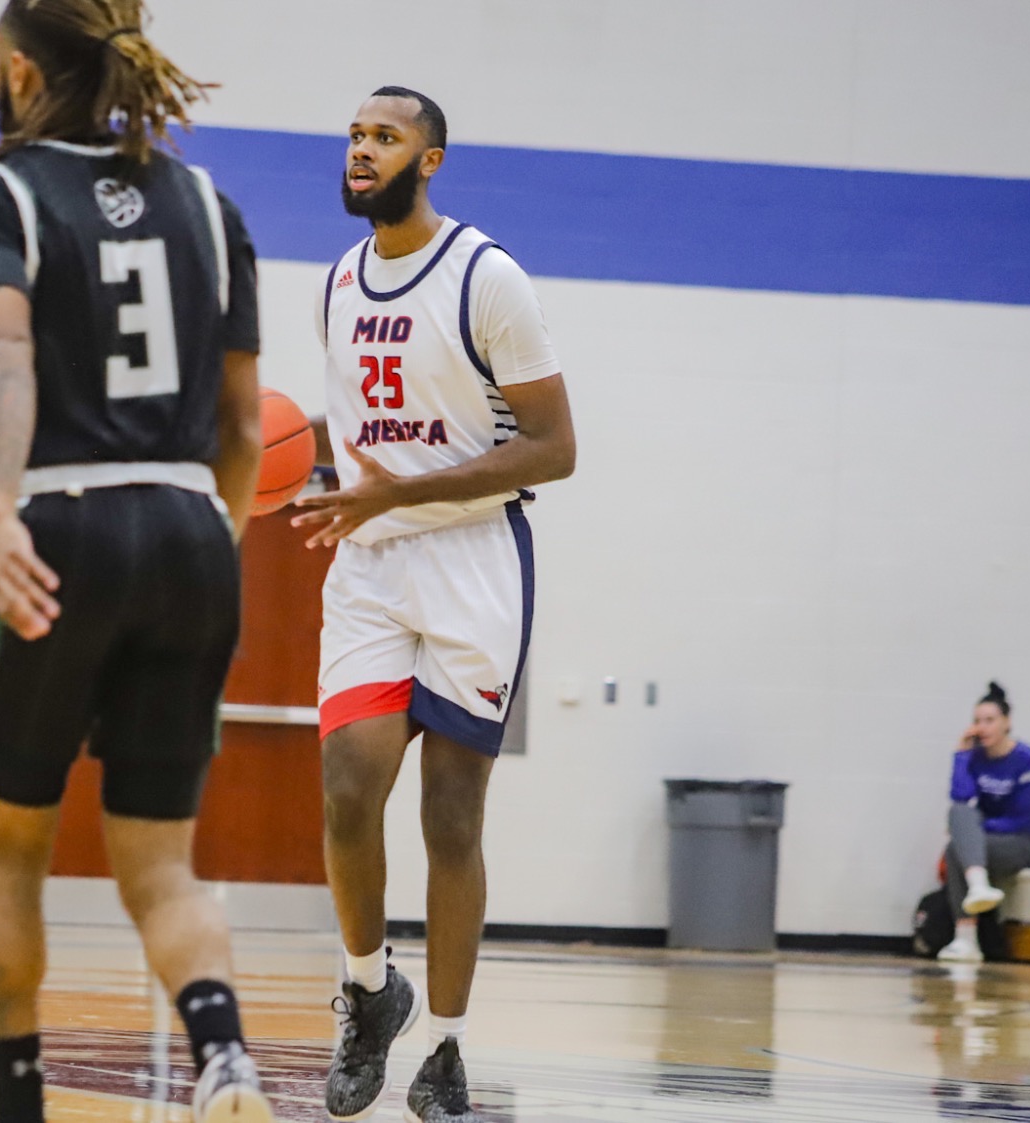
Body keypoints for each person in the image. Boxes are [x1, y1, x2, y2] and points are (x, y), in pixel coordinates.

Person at [0, 3, 269, 1120]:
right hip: (188, 528)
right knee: (160, 864)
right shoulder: (209, 209)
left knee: (8, 850)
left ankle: (17, 1109)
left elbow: (1, 342)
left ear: (22, 72)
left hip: (57, 524)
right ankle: (224, 1059)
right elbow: (241, 424)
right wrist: (208, 542)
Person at [293, 87, 576, 1123]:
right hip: (370, 560)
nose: (362, 151)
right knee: (343, 785)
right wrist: (297, 463)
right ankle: (370, 992)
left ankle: (446, 1049)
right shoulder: (333, 282)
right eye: (355, 135)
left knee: (449, 814)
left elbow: (555, 448)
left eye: (384, 137)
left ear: (432, 160)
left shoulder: (485, 278)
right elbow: (352, 422)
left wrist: (393, 490)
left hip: (470, 559)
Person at [935, 681, 1030, 963]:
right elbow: (961, 797)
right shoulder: (976, 757)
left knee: (961, 843)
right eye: (977, 721)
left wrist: (974, 832)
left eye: (990, 720)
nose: (982, 727)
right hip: (993, 842)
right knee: (958, 827)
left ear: (1006, 722)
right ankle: (967, 936)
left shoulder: (1027, 759)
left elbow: (1023, 819)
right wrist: (961, 756)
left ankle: (967, 932)